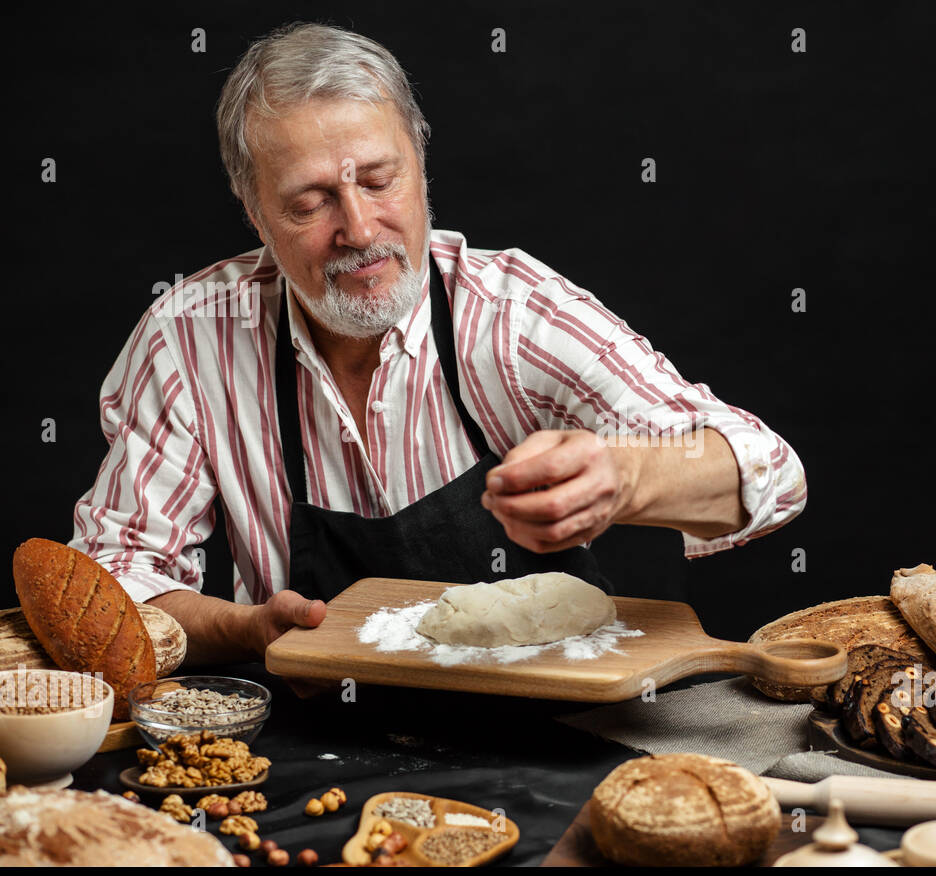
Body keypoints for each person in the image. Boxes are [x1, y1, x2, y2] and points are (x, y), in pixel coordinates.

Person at [69, 21, 806, 666]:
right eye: (309, 201)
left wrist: (626, 477)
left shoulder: (514, 314)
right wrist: (249, 629)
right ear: (254, 212)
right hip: (316, 740)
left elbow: (772, 473)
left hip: (546, 736)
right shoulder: (194, 334)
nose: (358, 230)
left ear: (422, 167)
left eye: (380, 181)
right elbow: (113, 586)